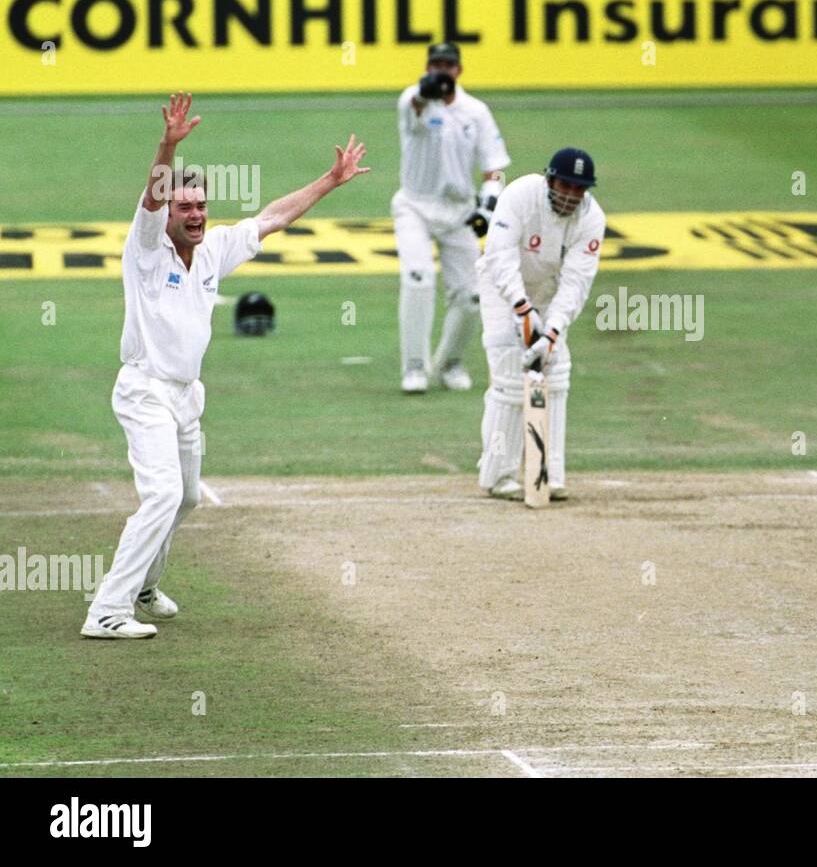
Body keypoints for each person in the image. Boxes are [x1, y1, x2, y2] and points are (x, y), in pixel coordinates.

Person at [82, 93, 370, 640]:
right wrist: (169, 143)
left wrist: (330, 181)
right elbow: (151, 193)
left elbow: (272, 217)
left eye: (199, 206)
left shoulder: (213, 249)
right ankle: (106, 611)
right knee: (163, 495)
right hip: (144, 390)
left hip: (186, 396)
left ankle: (143, 583)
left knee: (187, 497)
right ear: (166, 211)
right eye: (183, 207)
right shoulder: (144, 249)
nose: (194, 215)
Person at [476, 148, 605, 501]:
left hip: (548, 291)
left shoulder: (591, 218)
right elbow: (499, 256)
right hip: (500, 286)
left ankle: (548, 471)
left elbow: (577, 282)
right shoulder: (520, 194)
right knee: (508, 375)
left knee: (556, 368)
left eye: (579, 189)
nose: (571, 196)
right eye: (565, 186)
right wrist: (521, 308)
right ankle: (498, 475)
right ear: (550, 179)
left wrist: (552, 331)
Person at [393, 41, 511, 393]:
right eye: (436, 65)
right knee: (418, 277)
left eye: (449, 65)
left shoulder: (476, 112)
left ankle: (448, 363)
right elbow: (413, 112)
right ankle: (414, 366)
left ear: (459, 69)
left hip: (459, 210)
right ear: (428, 67)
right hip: (414, 205)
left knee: (472, 296)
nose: (443, 71)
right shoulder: (411, 99)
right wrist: (424, 94)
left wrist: (487, 207)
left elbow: (495, 170)